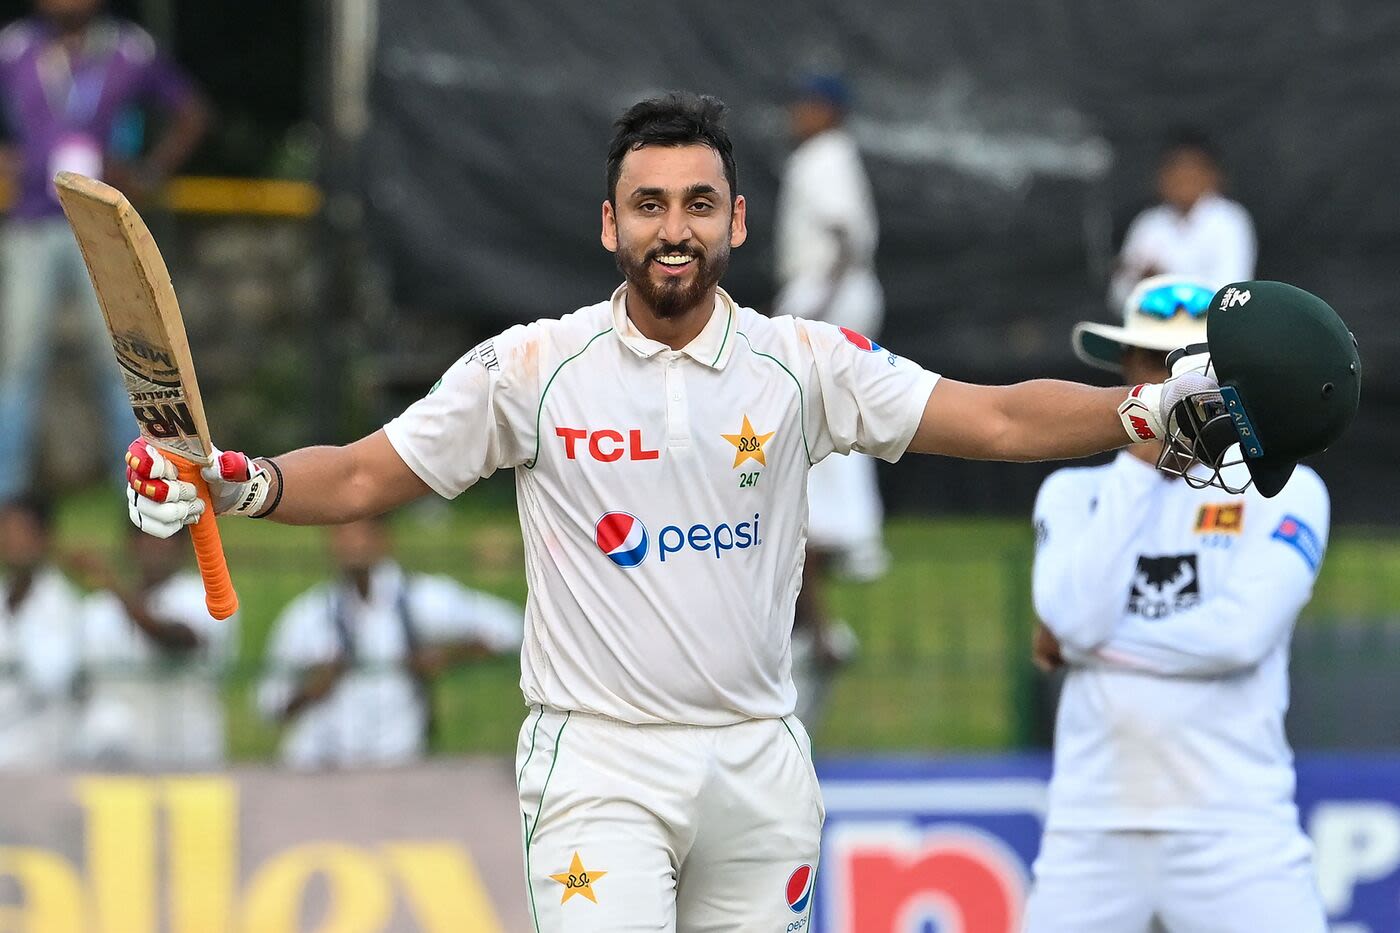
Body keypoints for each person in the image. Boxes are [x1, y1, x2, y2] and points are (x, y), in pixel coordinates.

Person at [123, 93, 1217, 930]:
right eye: (648, 205)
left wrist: (1150, 411)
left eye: (697, 204)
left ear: (735, 220)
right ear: (609, 225)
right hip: (598, 765)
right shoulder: (533, 367)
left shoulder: (800, 364)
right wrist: (239, 481)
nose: (673, 229)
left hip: (756, 761)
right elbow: (365, 475)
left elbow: (994, 420)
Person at [1022, 275, 1330, 932]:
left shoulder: (1289, 489)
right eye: (1152, 364)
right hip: (1092, 824)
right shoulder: (1069, 491)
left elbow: (1238, 638)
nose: (1175, 388)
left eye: (1194, 366)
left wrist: (1084, 646)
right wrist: (1137, 461)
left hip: (1237, 824)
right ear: (1124, 369)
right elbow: (1076, 617)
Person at [0, 0, 207, 500]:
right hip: (33, 222)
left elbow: (191, 112)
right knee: (17, 362)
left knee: (124, 364)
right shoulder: (14, 48)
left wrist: (149, 173)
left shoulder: (129, 50)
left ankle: (142, 490)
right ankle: (7, 498)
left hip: (103, 227)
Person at [773, 74, 883, 730]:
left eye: (807, 105)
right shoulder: (830, 157)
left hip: (826, 295)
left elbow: (843, 238)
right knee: (817, 447)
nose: (797, 115)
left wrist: (814, 309)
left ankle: (820, 618)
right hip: (830, 297)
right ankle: (817, 621)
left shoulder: (825, 157)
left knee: (808, 452)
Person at [256, 516, 522, 770]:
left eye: (361, 532)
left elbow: (510, 627)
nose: (351, 544)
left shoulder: (419, 601)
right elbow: (267, 704)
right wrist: (311, 690)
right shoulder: (307, 616)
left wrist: (449, 656)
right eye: (341, 534)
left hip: (398, 767)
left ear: (384, 538)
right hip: (319, 766)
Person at [73, 524, 234, 768]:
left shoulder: (205, 596)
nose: (153, 547)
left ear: (183, 546)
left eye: (164, 538)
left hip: (190, 757)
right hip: (117, 761)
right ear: (130, 545)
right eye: (145, 537)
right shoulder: (97, 609)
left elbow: (178, 640)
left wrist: (113, 584)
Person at [1108, 128, 1256, 311]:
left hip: (1210, 334)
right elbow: (1118, 299)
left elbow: (1232, 293)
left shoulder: (1230, 220)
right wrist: (1136, 281)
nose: (1182, 178)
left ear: (1214, 176)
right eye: (1174, 169)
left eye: (1192, 170)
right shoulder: (1148, 223)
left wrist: (1164, 284)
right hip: (1153, 330)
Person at [0, 494, 82, 767]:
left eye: (22, 532)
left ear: (44, 538)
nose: (13, 542)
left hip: (41, 749)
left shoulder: (61, 602)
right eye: (7, 532)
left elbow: (51, 678)